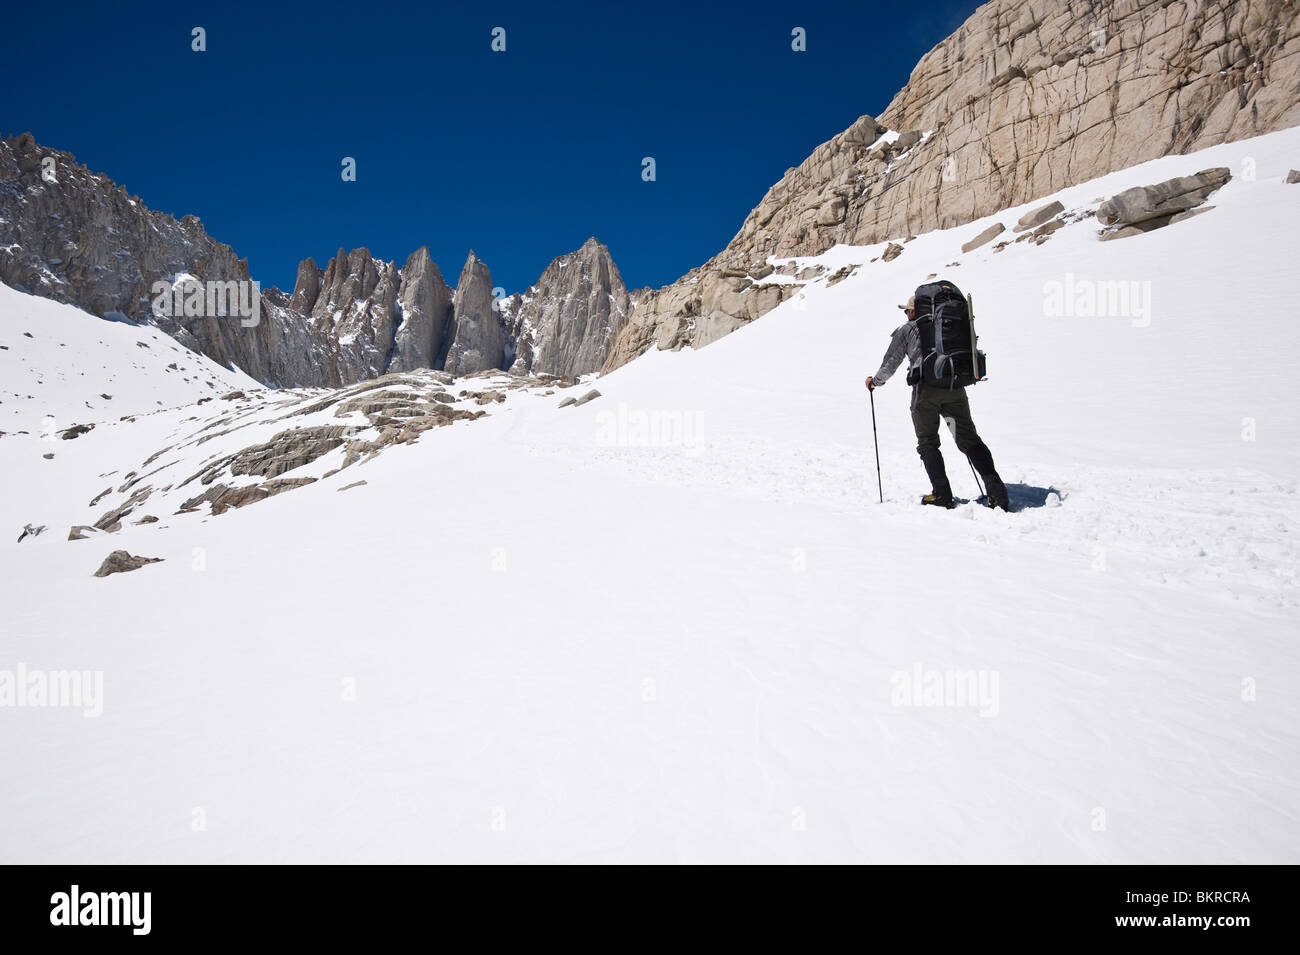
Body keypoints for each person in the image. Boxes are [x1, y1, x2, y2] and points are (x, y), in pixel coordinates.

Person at [864, 293, 1009, 510]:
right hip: (954, 388)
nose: (905, 314)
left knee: (928, 442)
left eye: (907, 310)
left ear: (914, 311)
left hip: (926, 393)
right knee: (969, 440)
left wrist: (875, 382)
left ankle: (942, 495)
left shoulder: (908, 329)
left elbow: (891, 362)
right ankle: (997, 493)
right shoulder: (950, 324)